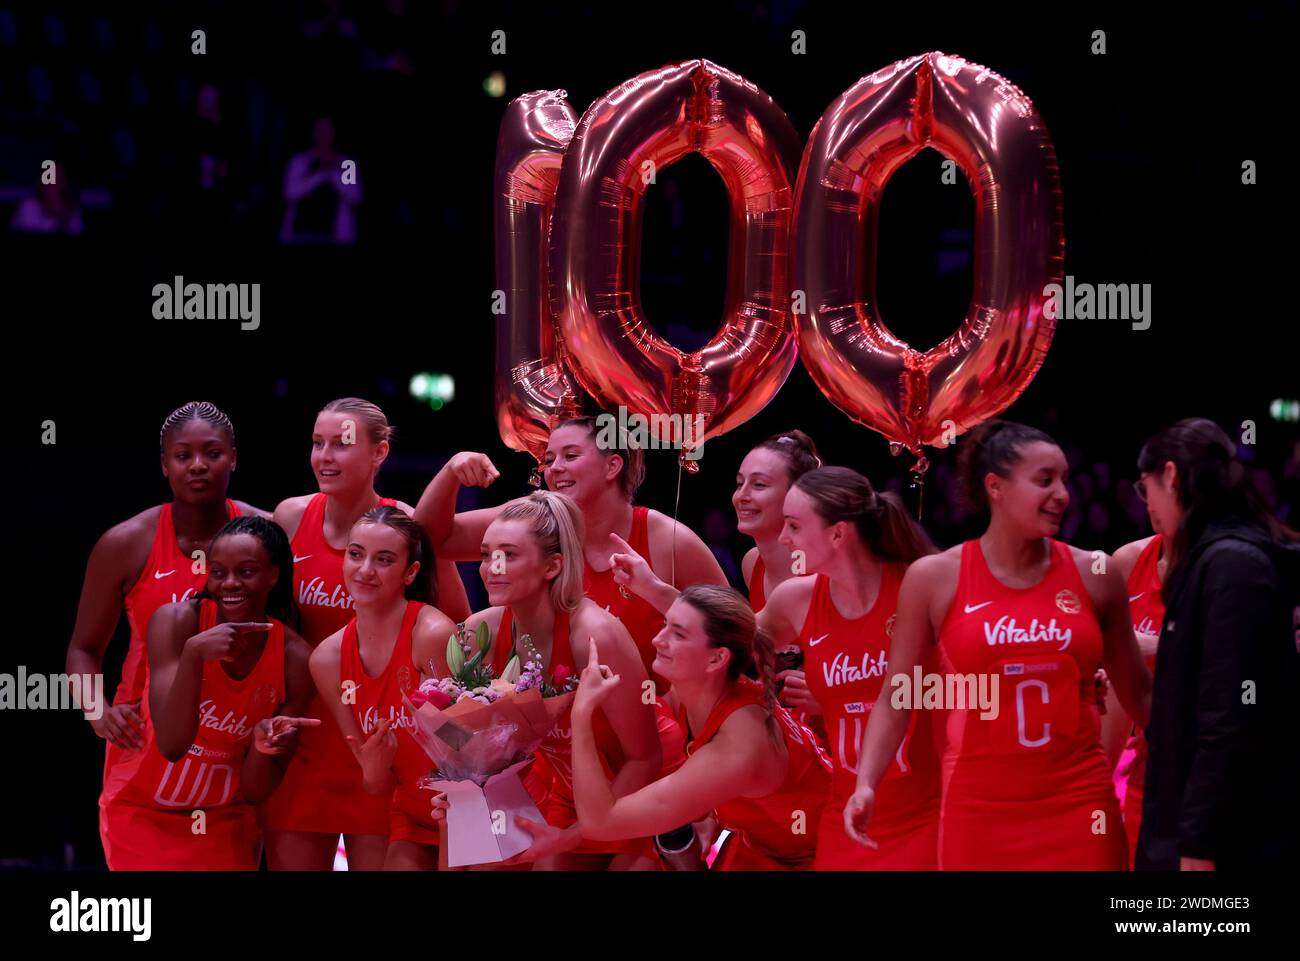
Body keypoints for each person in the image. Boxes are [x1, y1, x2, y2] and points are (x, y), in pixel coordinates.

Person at [845, 420, 1152, 869]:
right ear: (996, 487)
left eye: (1064, 480)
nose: (1062, 494)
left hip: (1079, 804)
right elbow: (899, 692)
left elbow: (1139, 692)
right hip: (978, 809)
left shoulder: (1097, 574)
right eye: (1044, 480)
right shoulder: (935, 578)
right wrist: (867, 781)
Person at [261, 397, 469, 870]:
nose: (325, 456)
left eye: (342, 444)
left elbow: (460, 629)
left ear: (379, 453)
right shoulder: (291, 517)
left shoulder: (408, 524)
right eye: (318, 444)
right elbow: (268, 625)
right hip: (306, 743)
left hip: (387, 744)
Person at [434, 491, 681, 869]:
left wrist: (576, 833)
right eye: (486, 554)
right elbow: (458, 736)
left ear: (552, 567)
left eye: (508, 554)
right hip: (567, 791)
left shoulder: (595, 635)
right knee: (473, 851)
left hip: (644, 791)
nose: (491, 567)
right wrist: (458, 783)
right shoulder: (477, 633)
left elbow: (644, 758)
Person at [67, 402, 265, 862]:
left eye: (212, 453)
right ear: (164, 464)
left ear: (233, 458)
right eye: (183, 455)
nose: (198, 465)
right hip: (141, 770)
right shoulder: (125, 543)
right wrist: (97, 711)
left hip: (229, 774)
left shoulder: (266, 534)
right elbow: (82, 648)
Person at [414, 416, 727, 690]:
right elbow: (429, 540)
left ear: (613, 465)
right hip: (555, 733)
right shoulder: (532, 520)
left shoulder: (668, 539)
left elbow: (732, 630)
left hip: (652, 729)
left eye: (570, 456)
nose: (554, 469)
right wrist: (451, 471)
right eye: (549, 460)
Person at [99, 517, 317, 869]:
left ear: (273, 576)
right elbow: (171, 744)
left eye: (246, 572)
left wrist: (262, 749)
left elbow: (255, 791)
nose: (229, 583)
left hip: (222, 820)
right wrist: (193, 656)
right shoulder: (175, 622)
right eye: (218, 572)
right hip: (143, 810)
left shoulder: (295, 659)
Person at [1132, 418, 1300, 871]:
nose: (1146, 502)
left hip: (1221, 844)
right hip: (1196, 828)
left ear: (1169, 475)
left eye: (1143, 486)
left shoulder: (1231, 566)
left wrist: (1198, 848)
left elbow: (1228, 720)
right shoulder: (1216, 557)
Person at [570, 585, 832, 870]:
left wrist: (581, 714)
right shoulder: (699, 689)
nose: (658, 640)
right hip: (771, 843)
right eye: (664, 625)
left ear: (717, 659)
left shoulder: (738, 747)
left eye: (678, 634)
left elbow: (599, 824)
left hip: (820, 857)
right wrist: (713, 813)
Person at [761, 466, 942, 869]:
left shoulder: (920, 585)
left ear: (838, 534)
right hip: (848, 815)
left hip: (930, 814)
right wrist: (655, 589)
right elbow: (724, 646)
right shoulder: (795, 600)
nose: (783, 538)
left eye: (792, 525)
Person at [308, 507, 458, 870]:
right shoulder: (326, 659)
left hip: (469, 809)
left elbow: (473, 748)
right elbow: (376, 784)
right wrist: (373, 770)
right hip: (412, 814)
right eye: (356, 554)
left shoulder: (432, 634)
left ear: (410, 573)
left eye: (383, 560)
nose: (364, 570)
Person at [1103, 525, 1166, 867]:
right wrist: (1100, 787)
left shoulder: (1234, 565)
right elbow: (1116, 684)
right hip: (1146, 775)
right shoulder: (1128, 561)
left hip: (1219, 773)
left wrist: (1161, 646)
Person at [734, 430, 822, 611]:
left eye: (759, 484)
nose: (741, 496)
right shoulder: (751, 563)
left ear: (799, 494)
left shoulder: (827, 571)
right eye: (739, 484)